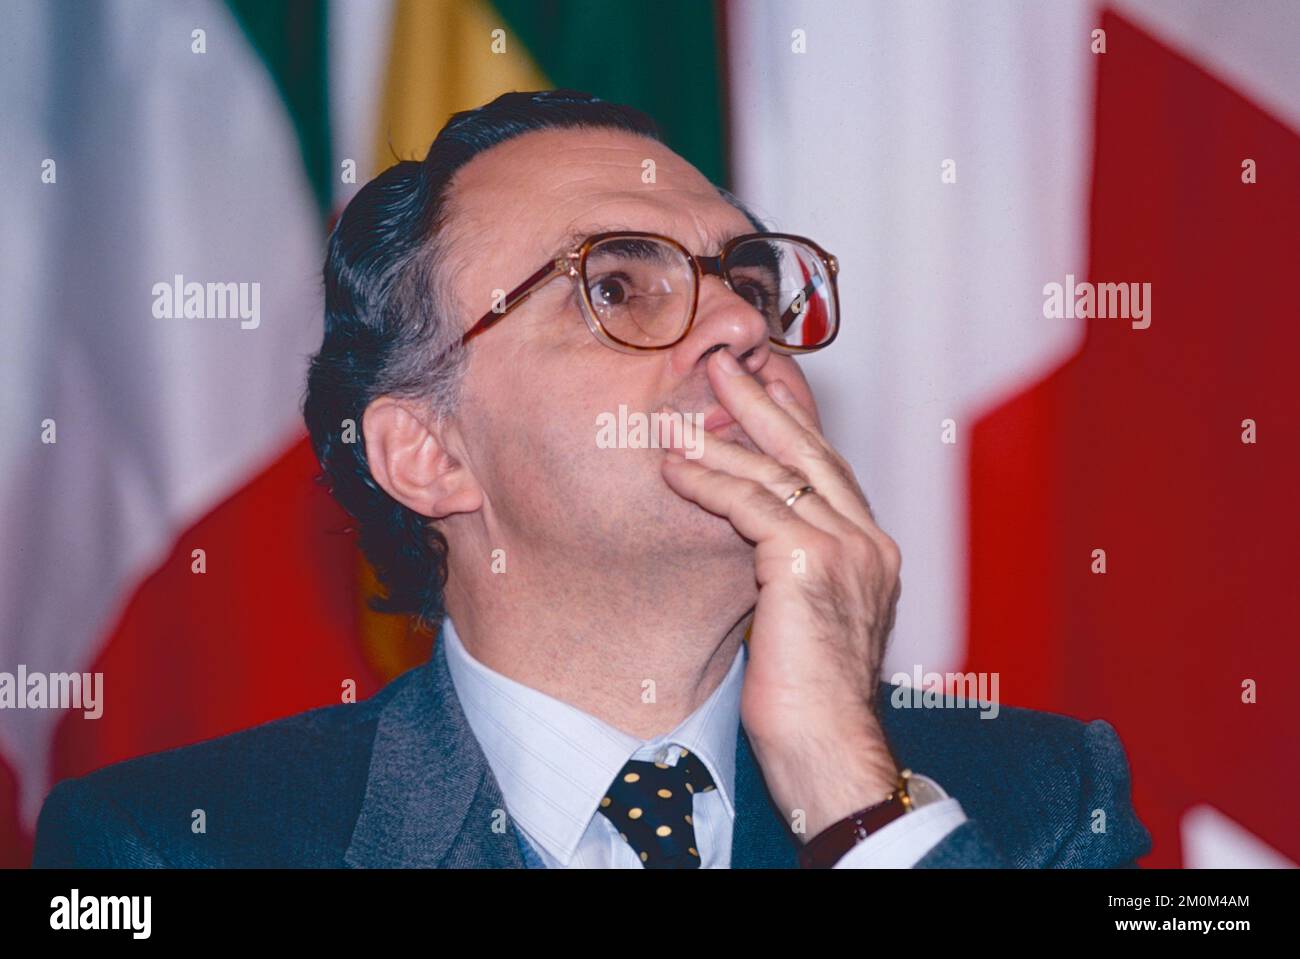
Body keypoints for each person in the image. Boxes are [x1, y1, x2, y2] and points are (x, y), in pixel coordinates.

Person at [32, 90, 1151, 869]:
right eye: (614, 286)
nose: (736, 322)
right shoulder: (173, 843)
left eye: (750, 282)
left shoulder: (1041, 800)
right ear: (429, 452)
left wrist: (856, 805)